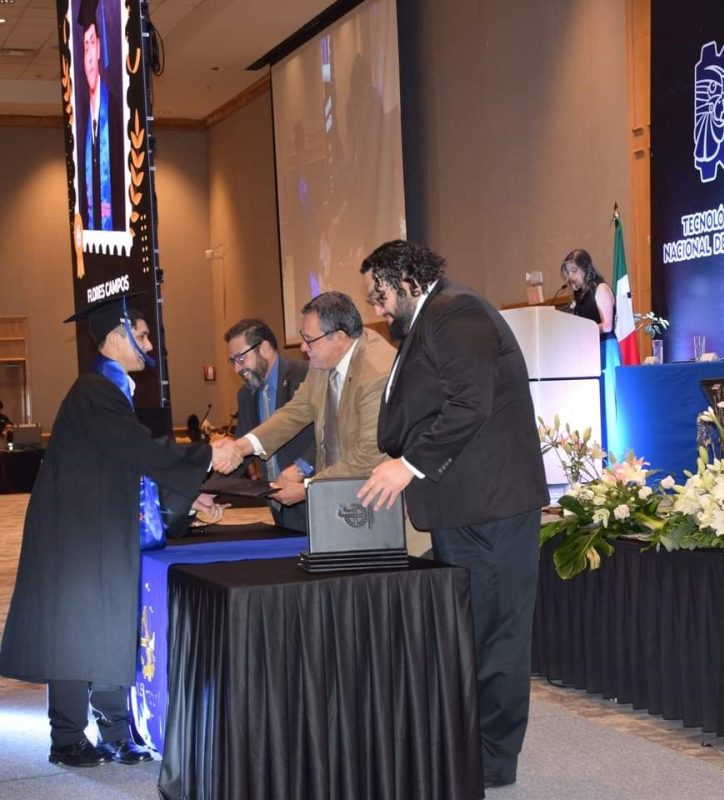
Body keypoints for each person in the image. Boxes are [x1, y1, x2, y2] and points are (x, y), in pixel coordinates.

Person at [356, 240, 549, 790]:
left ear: (405, 281)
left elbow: (471, 403)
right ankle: (470, 750)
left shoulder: (456, 311)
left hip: (491, 508)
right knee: (472, 634)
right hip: (463, 506)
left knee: (497, 638)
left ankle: (492, 762)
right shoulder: (431, 318)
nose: (377, 308)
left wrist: (408, 466)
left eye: (379, 295)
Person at [0, 295, 219, 768]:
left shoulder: (109, 388)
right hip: (76, 535)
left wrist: (186, 496)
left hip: (99, 527)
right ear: (118, 337)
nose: (149, 346)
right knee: (74, 631)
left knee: (111, 623)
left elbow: (125, 462)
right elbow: (136, 448)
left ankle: (115, 731)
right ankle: (66, 738)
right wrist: (205, 455)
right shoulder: (94, 390)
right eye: (142, 336)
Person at [212, 292, 395, 498]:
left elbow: (368, 455)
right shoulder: (322, 363)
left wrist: (308, 489)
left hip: (374, 496)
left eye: (309, 340)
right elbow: (295, 412)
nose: (303, 347)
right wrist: (241, 447)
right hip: (335, 493)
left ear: (339, 337)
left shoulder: (376, 373)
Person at [223, 318, 316, 533]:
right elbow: (243, 451)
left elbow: (328, 434)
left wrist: (302, 468)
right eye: (232, 361)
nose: (236, 368)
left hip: (314, 499)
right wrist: (207, 491)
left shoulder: (307, 376)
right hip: (278, 507)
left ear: (264, 348)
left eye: (240, 358)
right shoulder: (245, 394)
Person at [561, 248, 621, 451]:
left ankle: (611, 450)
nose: (570, 277)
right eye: (568, 272)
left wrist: (582, 330)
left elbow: (607, 325)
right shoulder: (580, 295)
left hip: (605, 349)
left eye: (574, 271)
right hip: (588, 352)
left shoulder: (600, 289)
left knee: (605, 401)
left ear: (586, 269)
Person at [77, 0, 124, 231]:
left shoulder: (116, 112)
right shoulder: (82, 124)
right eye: (85, 46)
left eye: (92, 43)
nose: (88, 55)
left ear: (99, 50)